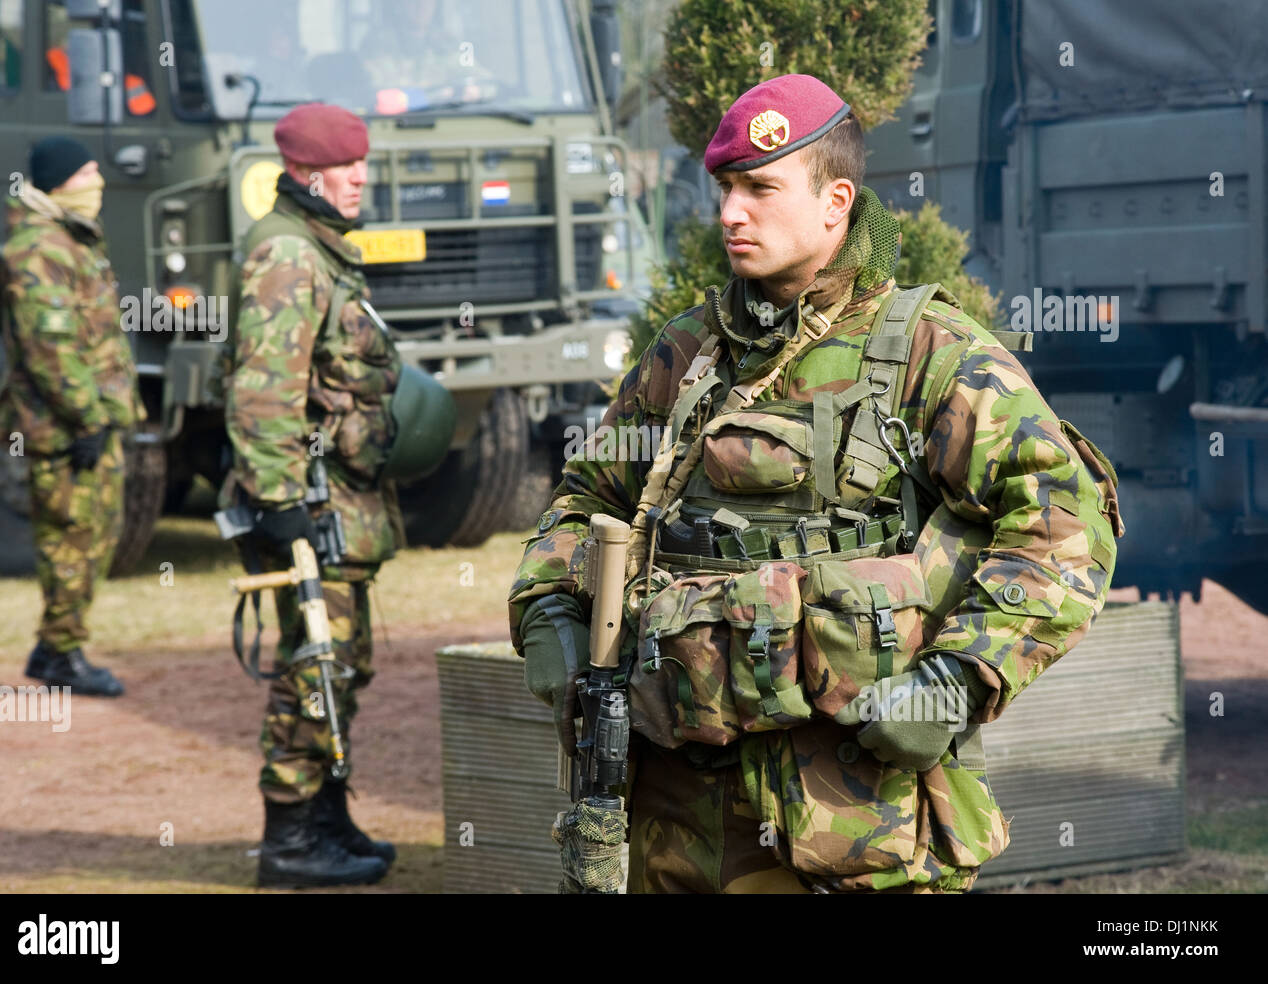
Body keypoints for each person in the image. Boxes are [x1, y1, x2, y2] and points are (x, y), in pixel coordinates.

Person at [508, 75, 1124, 894]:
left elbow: (1063, 526)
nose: (730, 212)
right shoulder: (686, 353)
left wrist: (959, 677)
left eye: (760, 188)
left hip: (851, 813)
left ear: (836, 201)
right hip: (676, 815)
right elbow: (587, 500)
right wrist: (549, 604)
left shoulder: (929, 352)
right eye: (725, 188)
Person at [219, 102, 453, 889]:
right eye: (345, 168)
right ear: (306, 173)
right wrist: (280, 503)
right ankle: (289, 841)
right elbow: (263, 395)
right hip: (306, 505)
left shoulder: (317, 249)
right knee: (311, 665)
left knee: (341, 664)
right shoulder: (286, 255)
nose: (361, 179)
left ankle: (326, 815)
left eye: (362, 165)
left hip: (339, 501)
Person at [0, 137, 142, 698]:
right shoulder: (40, 250)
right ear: (60, 183)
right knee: (71, 537)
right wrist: (87, 419)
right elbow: (49, 349)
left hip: (87, 421)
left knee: (95, 535)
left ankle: (60, 646)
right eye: (87, 172)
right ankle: (59, 653)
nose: (98, 180)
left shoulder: (72, 241)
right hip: (62, 429)